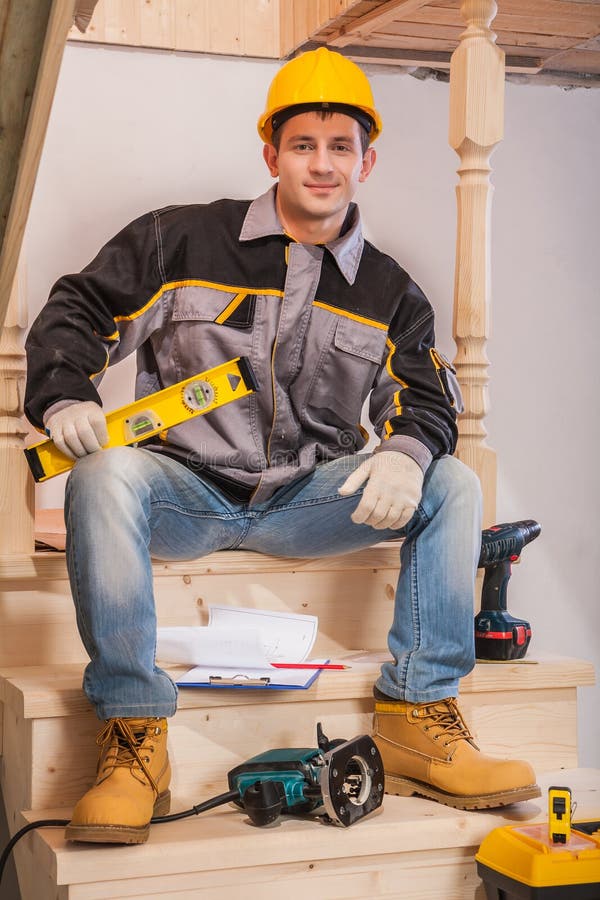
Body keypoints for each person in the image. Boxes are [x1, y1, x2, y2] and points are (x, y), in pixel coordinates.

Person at [25, 48, 540, 845]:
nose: (322, 165)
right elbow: (79, 309)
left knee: (453, 485)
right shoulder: (180, 240)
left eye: (340, 148)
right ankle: (134, 739)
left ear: (367, 161)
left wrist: (405, 452)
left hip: (307, 502)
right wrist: (63, 394)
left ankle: (418, 714)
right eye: (303, 145)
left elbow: (427, 397)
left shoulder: (391, 293)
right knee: (102, 477)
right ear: (272, 155)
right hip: (184, 492)